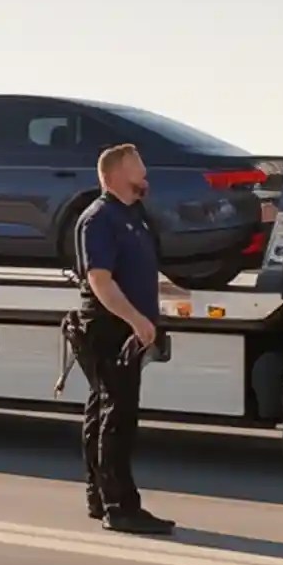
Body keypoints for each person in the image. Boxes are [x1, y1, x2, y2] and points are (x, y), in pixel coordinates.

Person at [72, 143, 175, 535]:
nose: (145, 173)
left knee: (103, 411)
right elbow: (100, 280)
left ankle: (100, 499)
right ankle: (121, 507)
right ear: (115, 174)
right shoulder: (99, 218)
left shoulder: (134, 216)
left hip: (126, 326)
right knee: (118, 416)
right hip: (108, 327)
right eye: (138, 166)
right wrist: (135, 320)